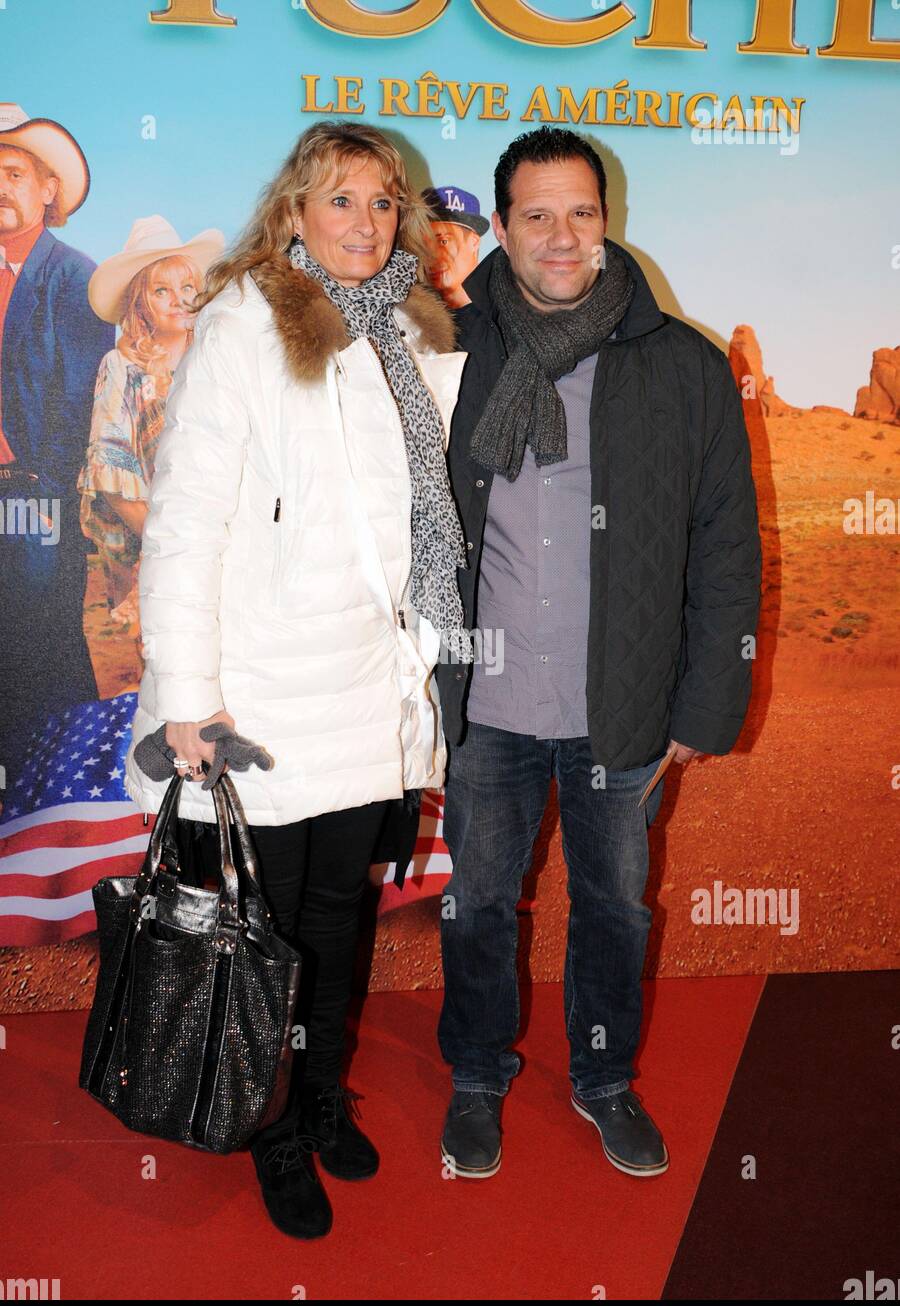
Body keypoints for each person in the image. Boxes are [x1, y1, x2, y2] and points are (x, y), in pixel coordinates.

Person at [123, 120, 470, 1239]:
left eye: (383, 203)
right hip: (262, 695)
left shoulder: (411, 327)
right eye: (341, 200)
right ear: (293, 212)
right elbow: (184, 520)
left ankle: (318, 1096)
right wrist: (189, 694)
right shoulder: (244, 324)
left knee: (336, 917)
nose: (366, 223)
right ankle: (270, 1127)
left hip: (369, 683)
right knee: (265, 931)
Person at [435, 127, 762, 1179]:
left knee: (615, 906)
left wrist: (704, 710)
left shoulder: (679, 363)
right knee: (480, 901)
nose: (560, 235)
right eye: (536, 214)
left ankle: (604, 1079)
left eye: (581, 210)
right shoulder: (449, 350)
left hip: (621, 702)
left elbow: (725, 541)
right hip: (485, 700)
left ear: (606, 219)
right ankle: (477, 1077)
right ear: (501, 227)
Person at [0, 103, 113, 799]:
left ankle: (58, 813)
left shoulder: (75, 278)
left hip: (35, 495)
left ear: (48, 190)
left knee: (42, 652)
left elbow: (84, 404)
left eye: (13, 172)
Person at [78, 217, 225, 631]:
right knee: (166, 661)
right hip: (155, 543)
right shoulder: (122, 367)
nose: (178, 300)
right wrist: (170, 541)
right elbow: (111, 477)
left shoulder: (217, 360)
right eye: (162, 290)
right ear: (140, 303)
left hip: (225, 543)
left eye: (187, 288)